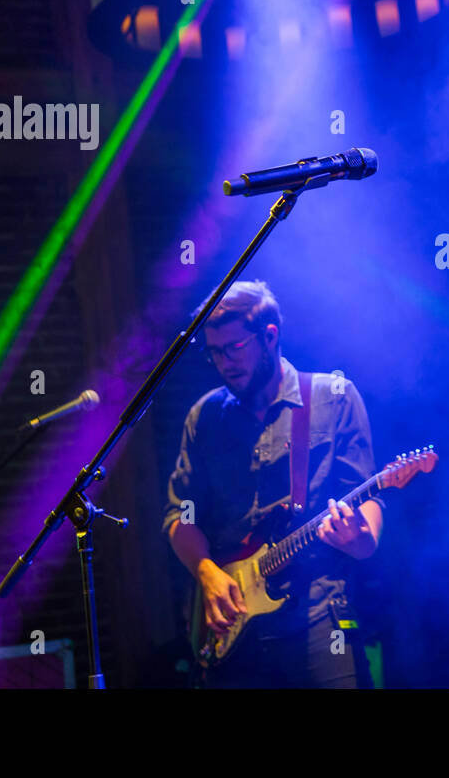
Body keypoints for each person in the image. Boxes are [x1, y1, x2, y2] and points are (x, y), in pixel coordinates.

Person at [163, 280, 381, 687]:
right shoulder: (204, 418)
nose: (225, 362)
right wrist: (206, 572)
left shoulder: (334, 397)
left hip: (319, 622)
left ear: (269, 336)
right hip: (233, 631)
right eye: (214, 353)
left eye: (235, 348)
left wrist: (356, 536)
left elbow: (368, 516)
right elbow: (181, 514)